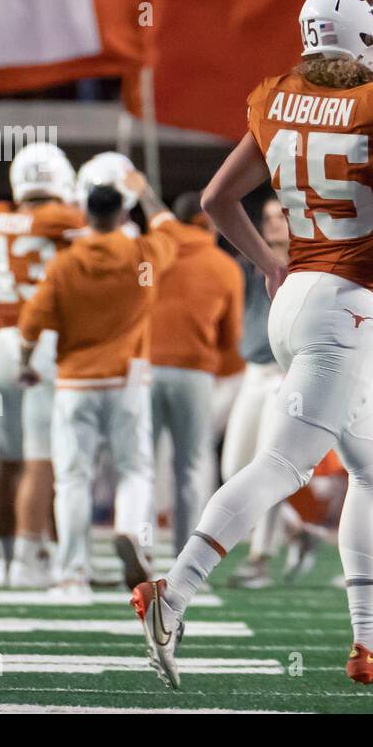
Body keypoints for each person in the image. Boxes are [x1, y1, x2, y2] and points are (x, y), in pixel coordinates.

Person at [131, 0, 373, 691]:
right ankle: (175, 591)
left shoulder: (276, 94)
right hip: (343, 305)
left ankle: (371, 644)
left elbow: (221, 198)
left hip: (299, 299)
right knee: (283, 466)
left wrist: (269, 262)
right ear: (365, 34)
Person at [17, 165, 180, 599]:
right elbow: (170, 227)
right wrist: (144, 192)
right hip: (127, 379)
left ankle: (73, 574)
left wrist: (25, 362)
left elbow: (30, 324)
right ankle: (130, 531)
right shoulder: (143, 254)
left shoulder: (65, 263)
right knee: (134, 470)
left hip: (74, 383)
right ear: (123, 215)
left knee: (72, 478)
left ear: (86, 215)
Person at [0, 142, 83, 587]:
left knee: (8, 455)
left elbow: (8, 216)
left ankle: (3, 557)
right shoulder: (67, 219)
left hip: (2, 341)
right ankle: (27, 559)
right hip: (42, 344)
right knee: (44, 457)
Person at [223, 197, 312, 590]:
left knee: (268, 468)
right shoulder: (250, 267)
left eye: (282, 218)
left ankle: (260, 558)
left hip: (286, 374)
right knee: (234, 468)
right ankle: (297, 531)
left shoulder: (309, 269)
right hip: (253, 372)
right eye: (268, 218)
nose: (273, 225)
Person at [148, 191, 244, 553]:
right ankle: (185, 552)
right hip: (194, 372)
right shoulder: (224, 266)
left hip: (144, 370)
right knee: (191, 465)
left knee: (141, 466)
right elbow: (231, 337)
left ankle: (142, 545)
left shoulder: (154, 252)